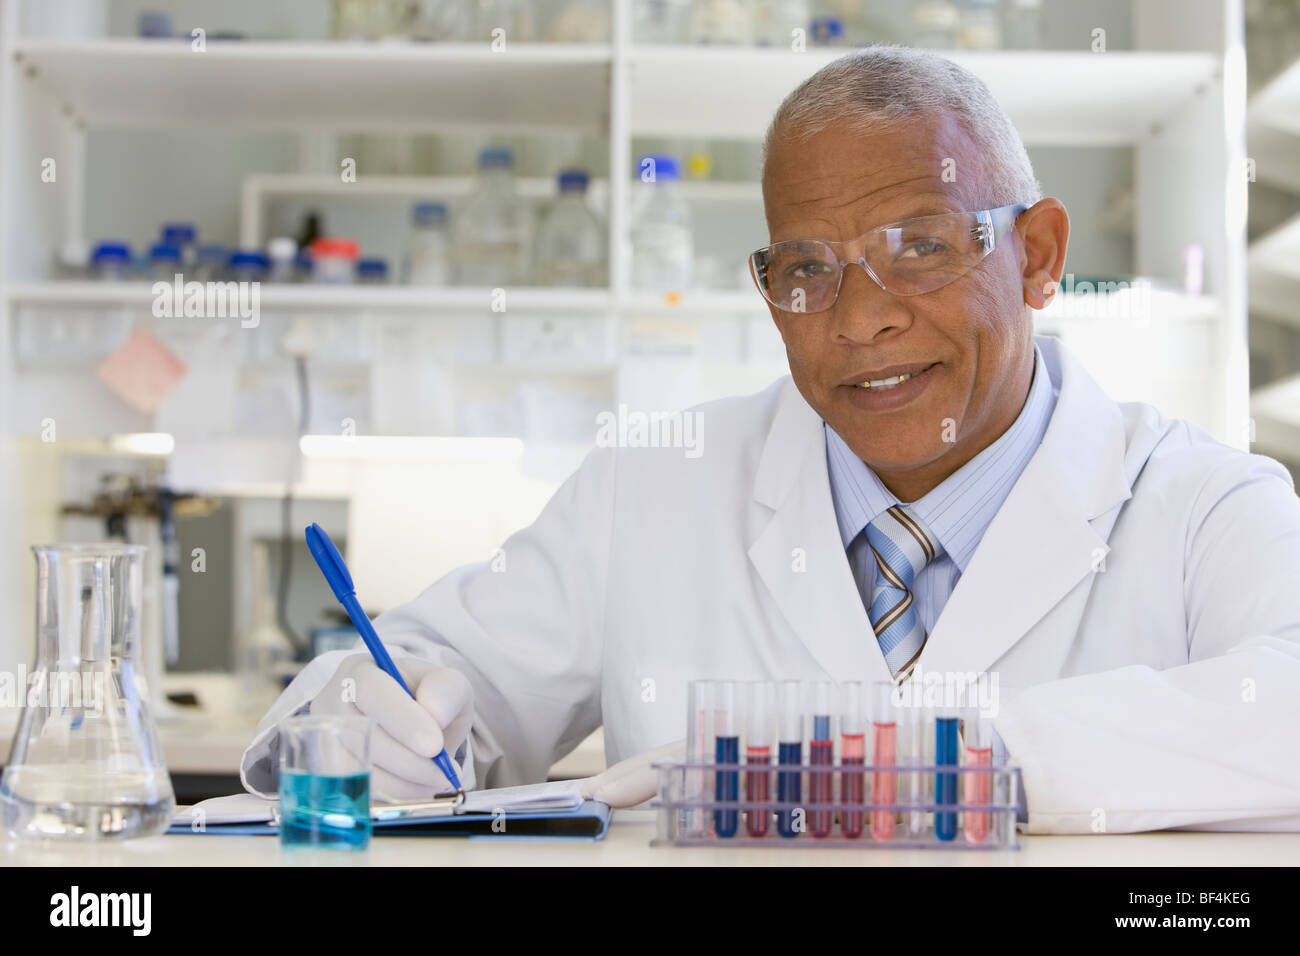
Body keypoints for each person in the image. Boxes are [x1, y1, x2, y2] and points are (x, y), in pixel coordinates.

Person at [242, 46, 1300, 833]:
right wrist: (357, 720)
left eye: (918, 248)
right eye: (806, 269)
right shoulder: (653, 486)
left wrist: (930, 766)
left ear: (1036, 253)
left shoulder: (1200, 502)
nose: (859, 319)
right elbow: (429, 676)